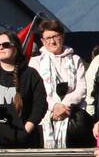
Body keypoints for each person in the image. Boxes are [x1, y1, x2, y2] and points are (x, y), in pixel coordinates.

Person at [0, 30, 47, 148]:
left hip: (23, 144)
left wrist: (26, 129)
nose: (0, 48)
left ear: (15, 48)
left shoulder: (30, 75)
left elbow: (40, 105)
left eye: (5, 45)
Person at [31, 19, 87, 148]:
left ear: (62, 36)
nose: (52, 41)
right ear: (42, 41)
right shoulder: (35, 62)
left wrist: (64, 105)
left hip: (72, 117)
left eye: (55, 36)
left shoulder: (75, 59)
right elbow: (37, 91)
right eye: (48, 38)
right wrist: (54, 106)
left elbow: (81, 88)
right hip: (46, 117)